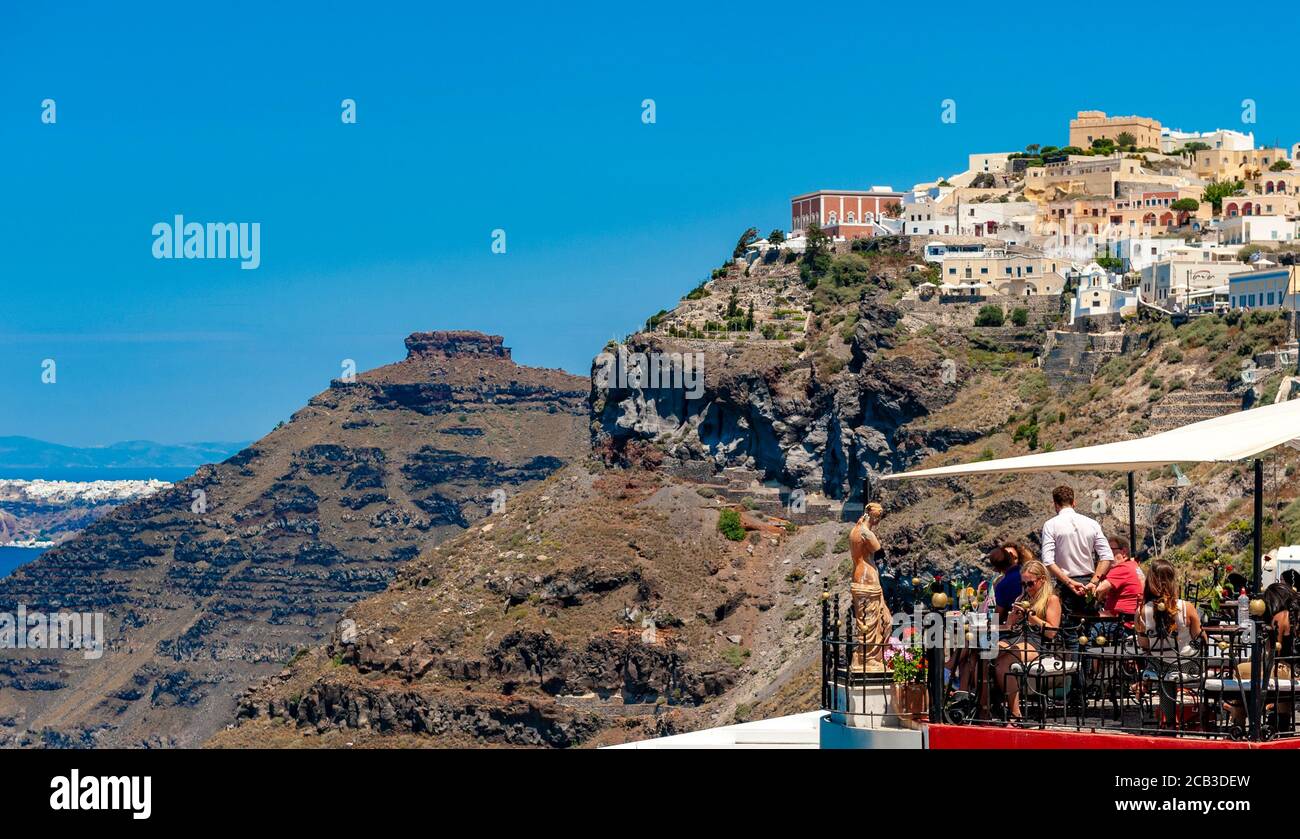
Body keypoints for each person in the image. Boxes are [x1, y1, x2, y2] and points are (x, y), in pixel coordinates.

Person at [1136, 558, 1203, 729]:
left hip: (1157, 667)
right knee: (1177, 664)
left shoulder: (1142, 611)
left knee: (1161, 666)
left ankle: (1168, 719)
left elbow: (1143, 644)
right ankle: (1190, 715)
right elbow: (1200, 638)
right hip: (1188, 666)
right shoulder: (1187, 607)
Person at [993, 559, 1061, 721]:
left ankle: (1015, 714)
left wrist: (1031, 616)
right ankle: (985, 706)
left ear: (1042, 580)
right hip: (1016, 637)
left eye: (1030, 584)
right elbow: (1010, 626)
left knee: (1005, 662)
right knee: (987, 652)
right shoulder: (1022, 597)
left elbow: (1051, 632)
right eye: (1023, 584)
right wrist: (1014, 616)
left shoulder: (1051, 600)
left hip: (1037, 642)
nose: (1027, 588)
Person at [1040, 485, 1113, 629]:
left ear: (1055, 504)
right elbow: (1107, 556)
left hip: (1066, 584)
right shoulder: (1092, 523)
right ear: (1074, 502)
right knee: (1087, 630)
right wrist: (1094, 581)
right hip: (1088, 584)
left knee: (1068, 632)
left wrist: (1068, 582)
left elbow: (1048, 561)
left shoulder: (1051, 525)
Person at [849, 502, 891, 672]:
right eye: (877, 516)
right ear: (871, 514)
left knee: (873, 620)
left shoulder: (854, 531)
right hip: (867, 578)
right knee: (871, 621)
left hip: (858, 576)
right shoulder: (866, 533)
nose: (878, 520)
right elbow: (879, 551)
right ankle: (869, 657)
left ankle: (863, 655)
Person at [1093, 535, 1143, 642]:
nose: (1107, 554)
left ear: (1123, 552)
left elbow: (1097, 590)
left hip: (1121, 624)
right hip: (1133, 622)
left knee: (1087, 632)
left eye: (1110, 550)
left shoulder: (1121, 568)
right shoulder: (1133, 566)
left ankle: (1081, 658)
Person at [988, 542, 1029, 620]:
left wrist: (991, 624)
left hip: (1015, 625)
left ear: (997, 569)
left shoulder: (1002, 585)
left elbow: (998, 615)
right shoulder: (1028, 573)